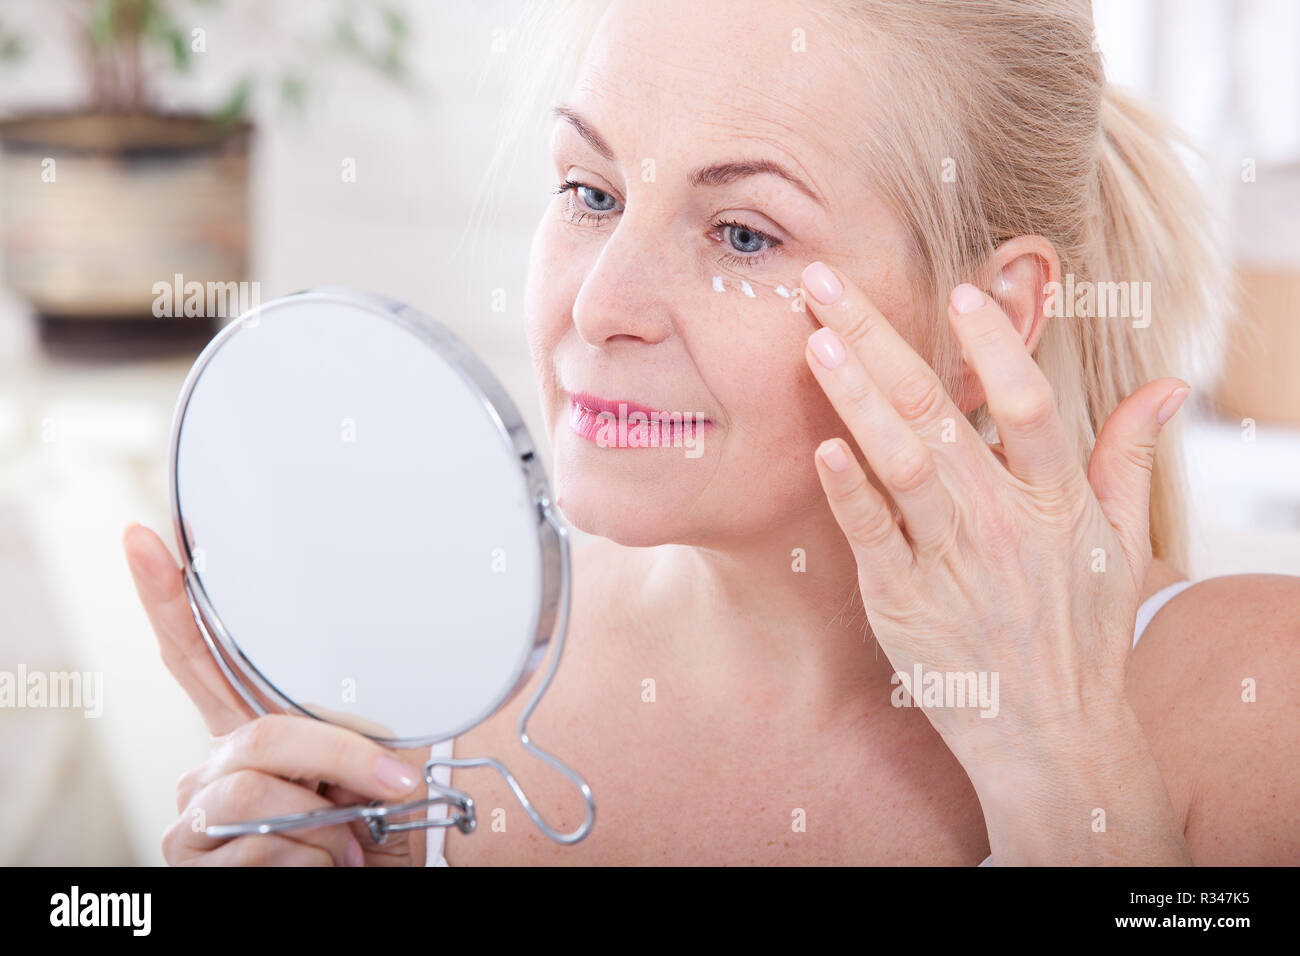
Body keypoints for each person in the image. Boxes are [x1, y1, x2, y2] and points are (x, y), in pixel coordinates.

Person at [124, 0, 1300, 866]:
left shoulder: (1258, 706)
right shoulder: (430, 696)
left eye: (742, 234)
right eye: (590, 193)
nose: (599, 307)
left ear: (983, 318)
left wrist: (1063, 767)